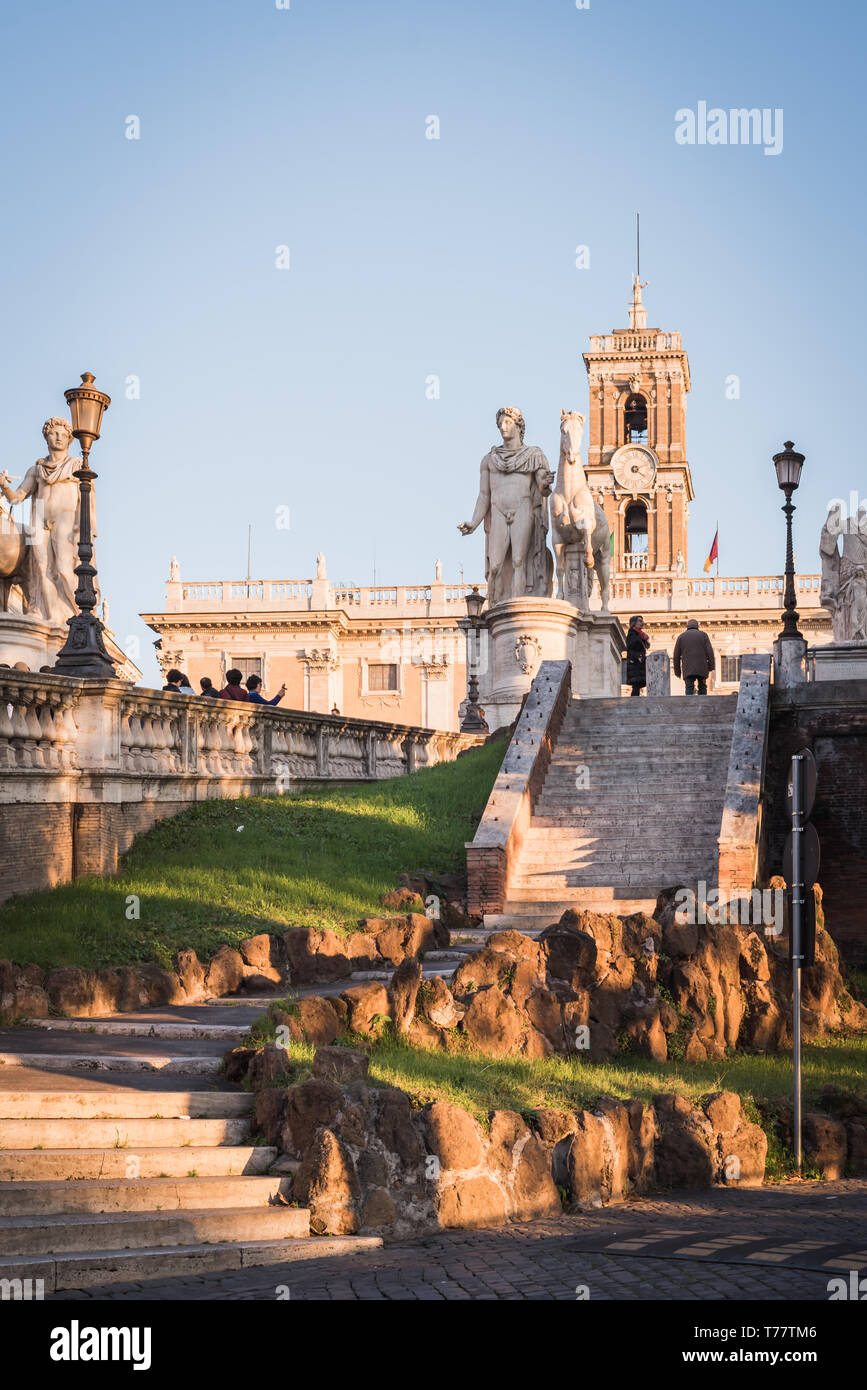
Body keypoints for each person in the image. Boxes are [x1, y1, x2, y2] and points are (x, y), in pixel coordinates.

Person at [673, 617, 716, 695]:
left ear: (687, 626)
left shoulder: (681, 637)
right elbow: (710, 652)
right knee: (702, 686)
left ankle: (689, 704)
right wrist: (711, 666)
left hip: (688, 668)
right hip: (702, 667)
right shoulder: (704, 635)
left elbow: (676, 656)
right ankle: (702, 704)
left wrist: (677, 671)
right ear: (697, 626)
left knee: (689, 687)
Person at [625, 615, 650, 697]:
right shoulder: (632, 634)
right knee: (636, 685)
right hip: (635, 664)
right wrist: (638, 656)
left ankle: (635, 699)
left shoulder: (639, 635)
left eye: (642, 621)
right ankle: (633, 701)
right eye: (640, 621)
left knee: (638, 685)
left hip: (639, 663)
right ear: (634, 623)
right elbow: (630, 649)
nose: (642, 623)